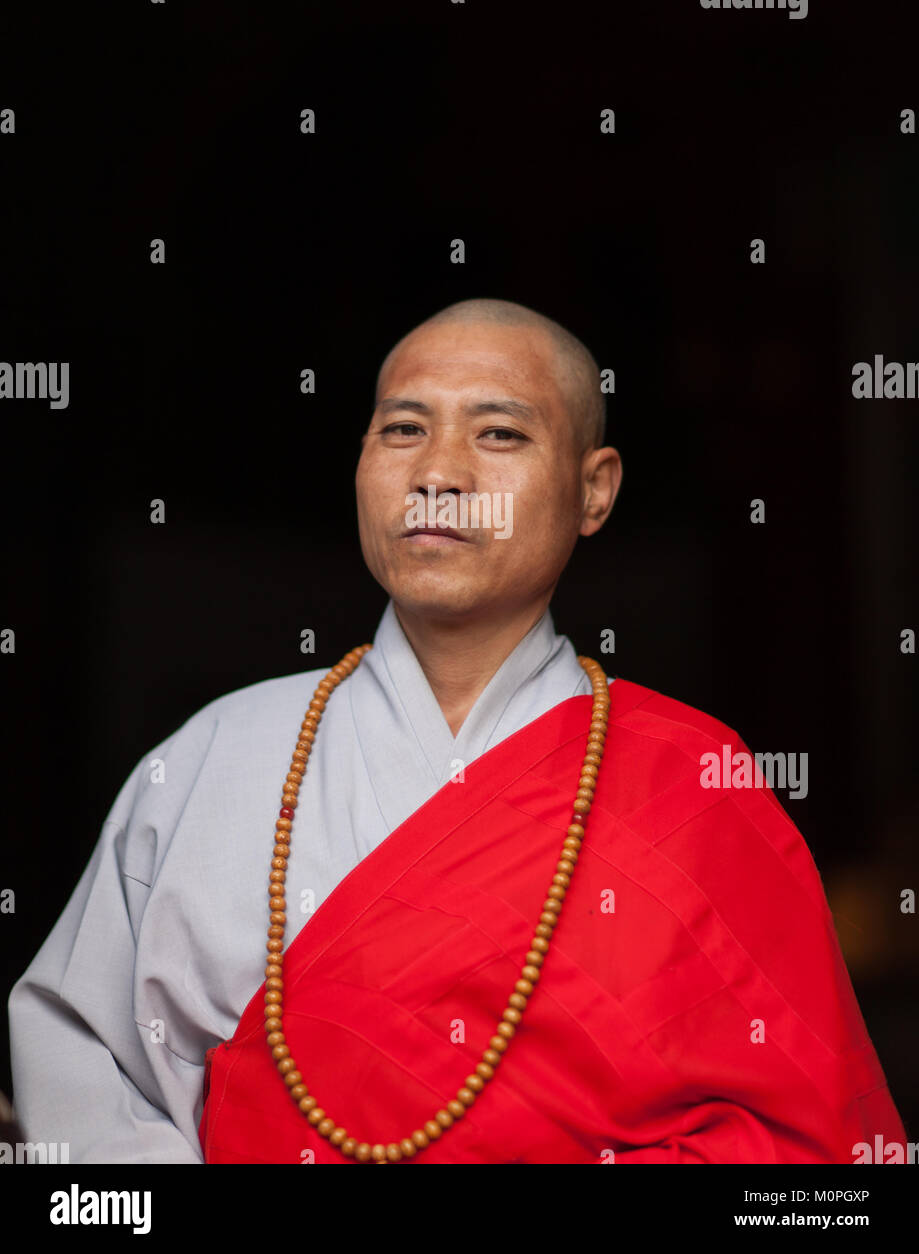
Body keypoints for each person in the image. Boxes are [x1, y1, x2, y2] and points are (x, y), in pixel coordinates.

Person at [8, 298, 906, 1164]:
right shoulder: (215, 758)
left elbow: (808, 1155)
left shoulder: (692, 783)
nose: (438, 473)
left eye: (498, 433)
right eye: (402, 430)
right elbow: (87, 1068)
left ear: (594, 491)